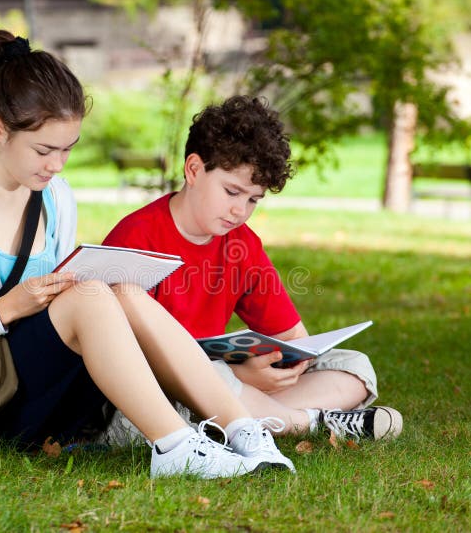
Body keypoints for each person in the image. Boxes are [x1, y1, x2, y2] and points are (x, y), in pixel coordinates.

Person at [0, 31, 295, 479]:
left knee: (121, 290)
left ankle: (243, 431)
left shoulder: (55, 196)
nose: (56, 165)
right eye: (44, 150)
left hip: (50, 398)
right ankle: (176, 445)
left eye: (67, 149)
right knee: (91, 298)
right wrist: (8, 308)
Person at [103, 95, 402, 441]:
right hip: (148, 399)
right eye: (232, 192)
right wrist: (238, 377)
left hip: (228, 388)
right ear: (194, 170)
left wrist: (278, 368)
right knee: (215, 378)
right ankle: (307, 423)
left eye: (253, 200)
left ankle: (243, 420)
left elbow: (296, 341)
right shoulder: (137, 237)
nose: (239, 211)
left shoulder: (241, 244)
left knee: (352, 367)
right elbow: (121, 359)